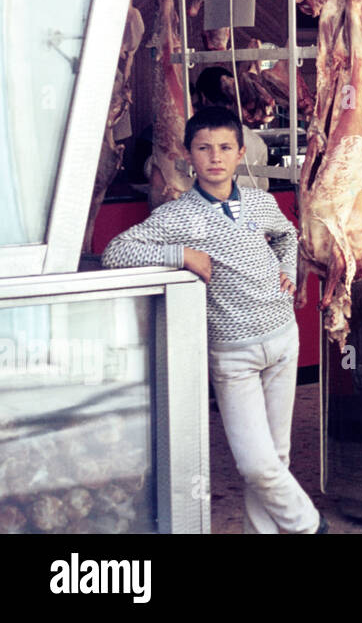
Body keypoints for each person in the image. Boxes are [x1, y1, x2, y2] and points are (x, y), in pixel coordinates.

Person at [103, 106, 325, 534]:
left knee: (277, 458)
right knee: (255, 464)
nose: (215, 157)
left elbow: (287, 235)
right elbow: (117, 251)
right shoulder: (177, 216)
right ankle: (309, 525)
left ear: (241, 152)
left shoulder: (260, 202)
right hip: (232, 353)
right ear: (188, 156)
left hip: (283, 340)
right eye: (204, 149)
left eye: (225, 148)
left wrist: (284, 264)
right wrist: (180, 254)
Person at [193, 66, 270, 192]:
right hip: (248, 209)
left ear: (203, 98)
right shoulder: (255, 141)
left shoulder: (192, 138)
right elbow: (263, 187)